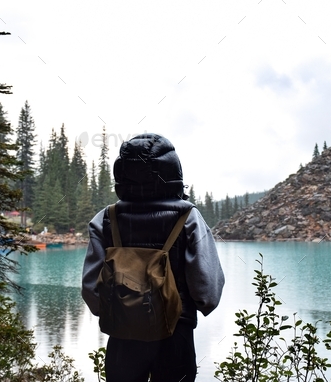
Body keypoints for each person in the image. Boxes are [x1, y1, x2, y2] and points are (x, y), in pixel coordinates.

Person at [81, 133, 225, 382]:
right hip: (175, 337)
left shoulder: (105, 219)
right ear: (172, 172)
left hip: (122, 336)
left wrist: (123, 308)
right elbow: (207, 292)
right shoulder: (188, 218)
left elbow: (91, 291)